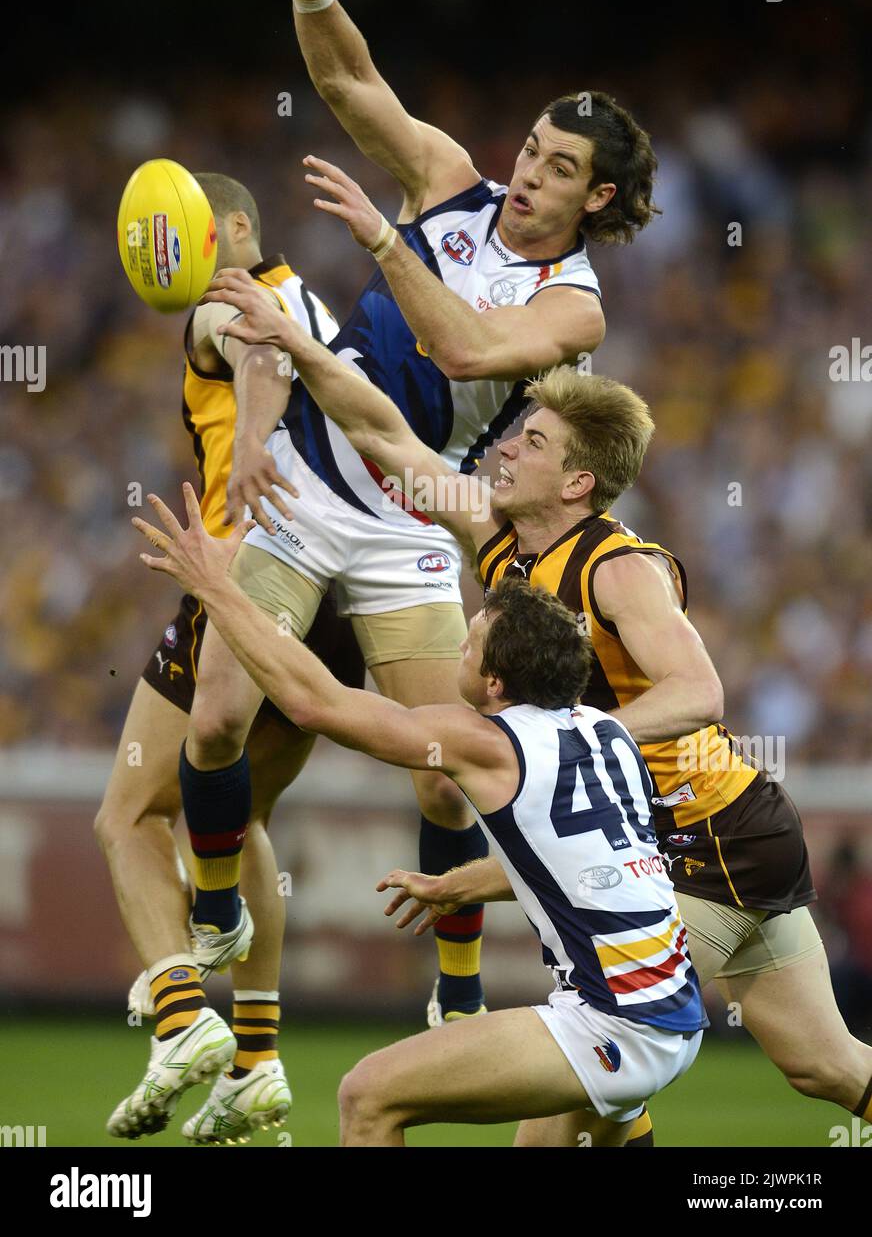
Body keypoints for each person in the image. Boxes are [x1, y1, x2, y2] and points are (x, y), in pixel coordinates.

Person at [211, 284, 872, 1144]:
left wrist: (581, 741)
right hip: (695, 836)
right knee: (824, 1065)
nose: (505, 449)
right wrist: (299, 349)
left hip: (709, 837)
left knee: (569, 1098)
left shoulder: (616, 567)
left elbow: (699, 693)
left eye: (532, 441)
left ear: (578, 480)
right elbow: (384, 436)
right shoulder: (495, 534)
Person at [179, 0, 661, 1037]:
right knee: (212, 726)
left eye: (556, 168)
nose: (527, 174)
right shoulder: (451, 180)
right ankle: (215, 922)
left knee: (443, 773)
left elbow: (458, 353)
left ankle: (451, 988)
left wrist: (385, 246)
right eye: (533, 148)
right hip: (302, 479)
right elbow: (350, 80)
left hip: (410, 515)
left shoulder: (575, 308)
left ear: (596, 200)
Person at [132, 492, 707, 1148]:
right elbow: (589, 858)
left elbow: (316, 705)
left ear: (495, 682)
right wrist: (467, 882)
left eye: (471, 644)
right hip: (671, 1009)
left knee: (367, 1096)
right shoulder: (607, 734)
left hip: (614, 1020)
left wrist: (218, 590)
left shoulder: (490, 744)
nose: (458, 648)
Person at [96, 174, 365, 1142]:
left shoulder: (227, 306)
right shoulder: (317, 308)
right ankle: (256, 1059)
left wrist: (247, 440)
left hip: (250, 573)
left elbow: (249, 348)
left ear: (236, 228)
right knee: (235, 811)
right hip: (339, 593)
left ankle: (179, 1015)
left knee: (127, 812)